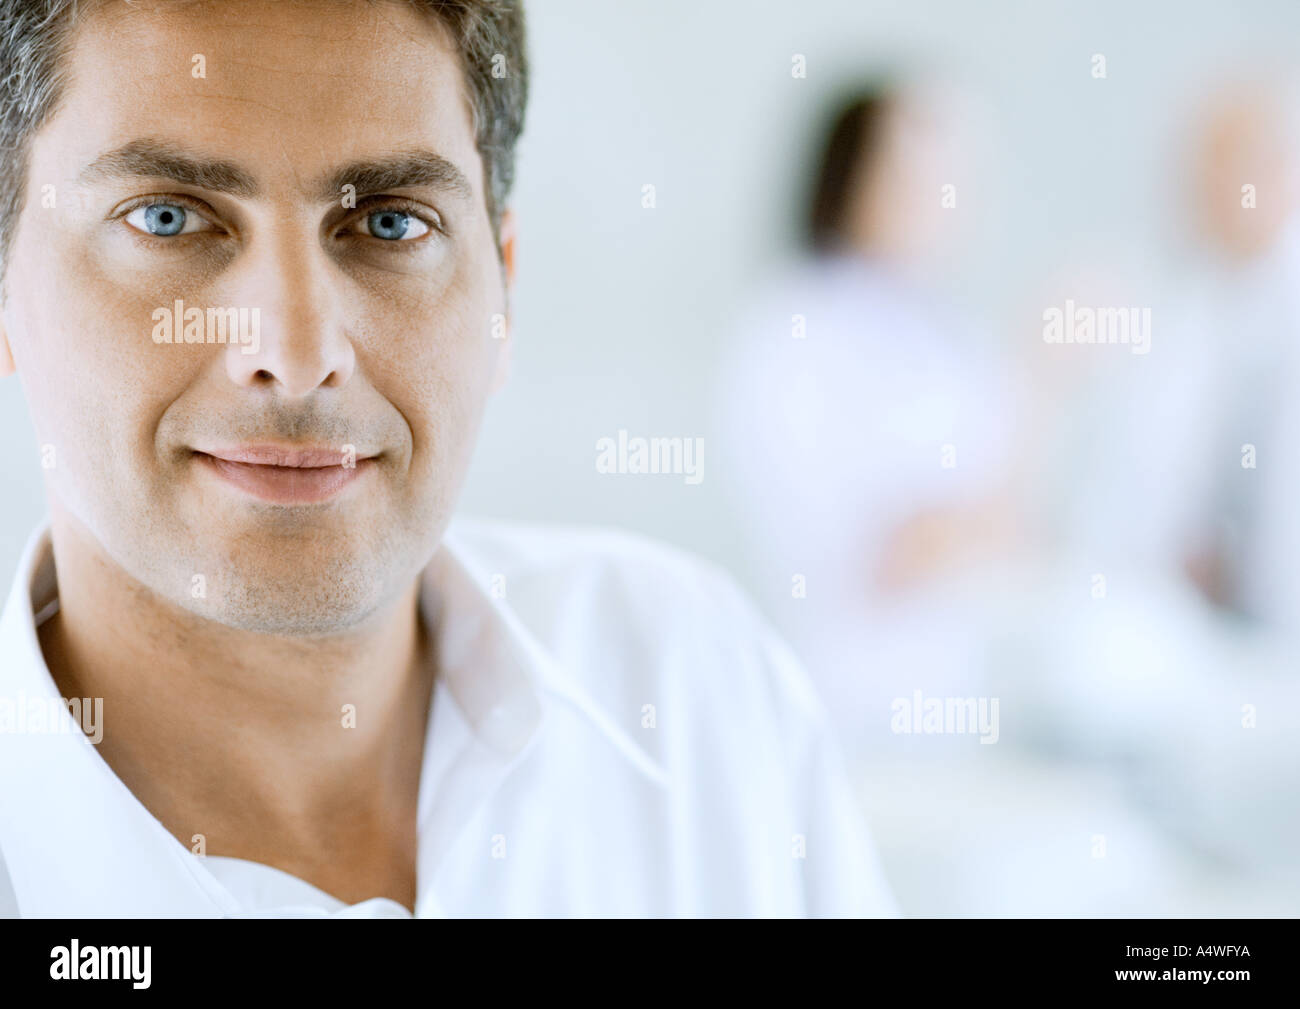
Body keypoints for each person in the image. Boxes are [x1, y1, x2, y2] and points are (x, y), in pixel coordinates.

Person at [0, 0, 894, 917]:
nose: (300, 355)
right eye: (166, 218)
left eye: (390, 224)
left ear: (503, 295)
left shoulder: (699, 688)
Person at [717, 78, 1024, 762]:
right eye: (913, 174)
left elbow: (1007, 523)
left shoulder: (952, 334)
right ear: (852, 174)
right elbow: (873, 558)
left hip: (958, 709)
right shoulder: (791, 328)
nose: (940, 200)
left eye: (954, 177)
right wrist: (1040, 377)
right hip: (848, 712)